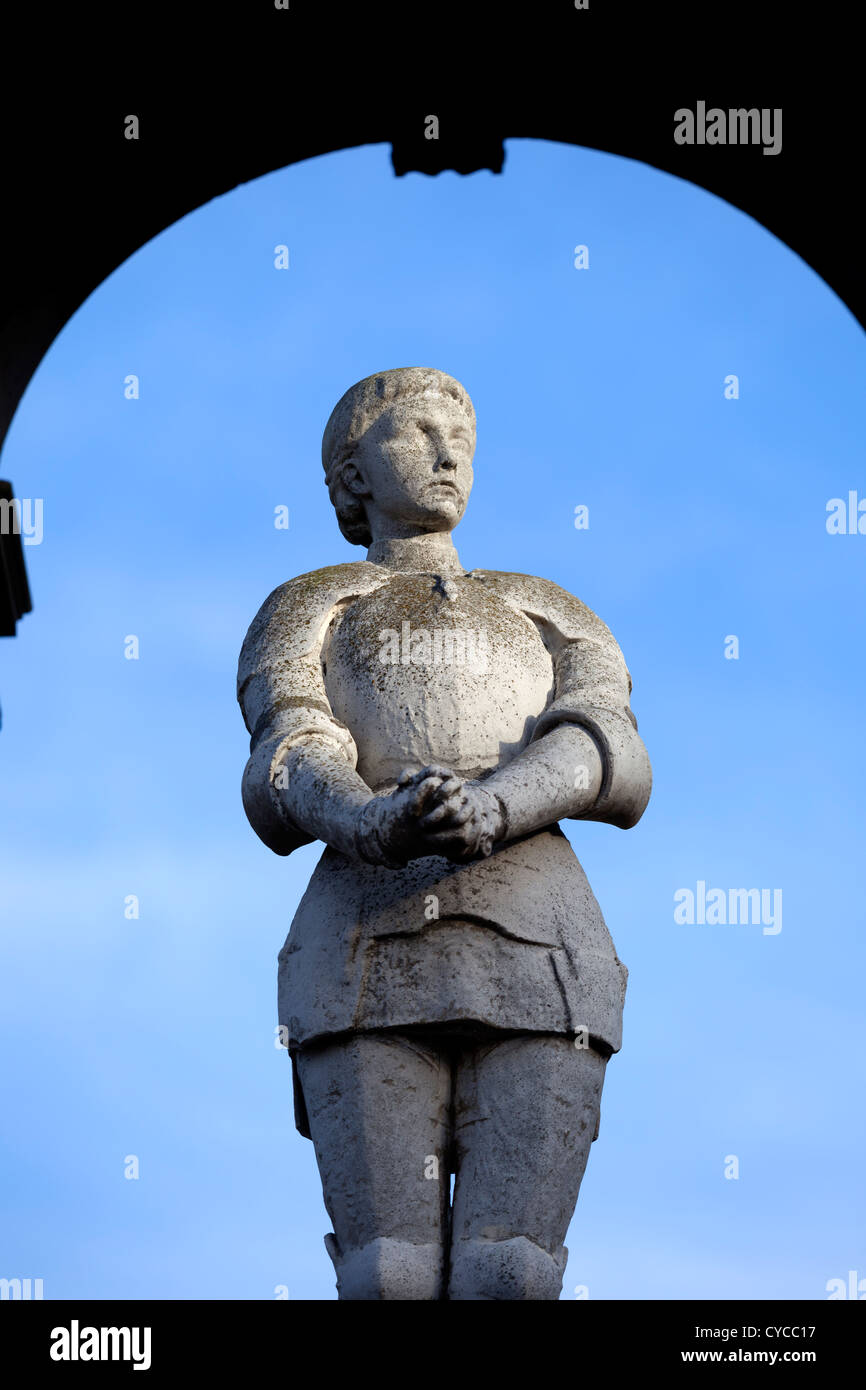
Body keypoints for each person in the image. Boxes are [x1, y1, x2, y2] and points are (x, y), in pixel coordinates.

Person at [237, 367, 652, 1299]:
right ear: (352, 475)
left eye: (461, 435)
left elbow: (612, 750)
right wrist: (368, 820)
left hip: (543, 951)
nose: (447, 451)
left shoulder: (546, 608)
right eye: (417, 429)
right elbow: (289, 750)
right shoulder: (313, 603)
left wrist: (500, 804)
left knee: (512, 1269)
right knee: (390, 1274)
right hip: (360, 950)